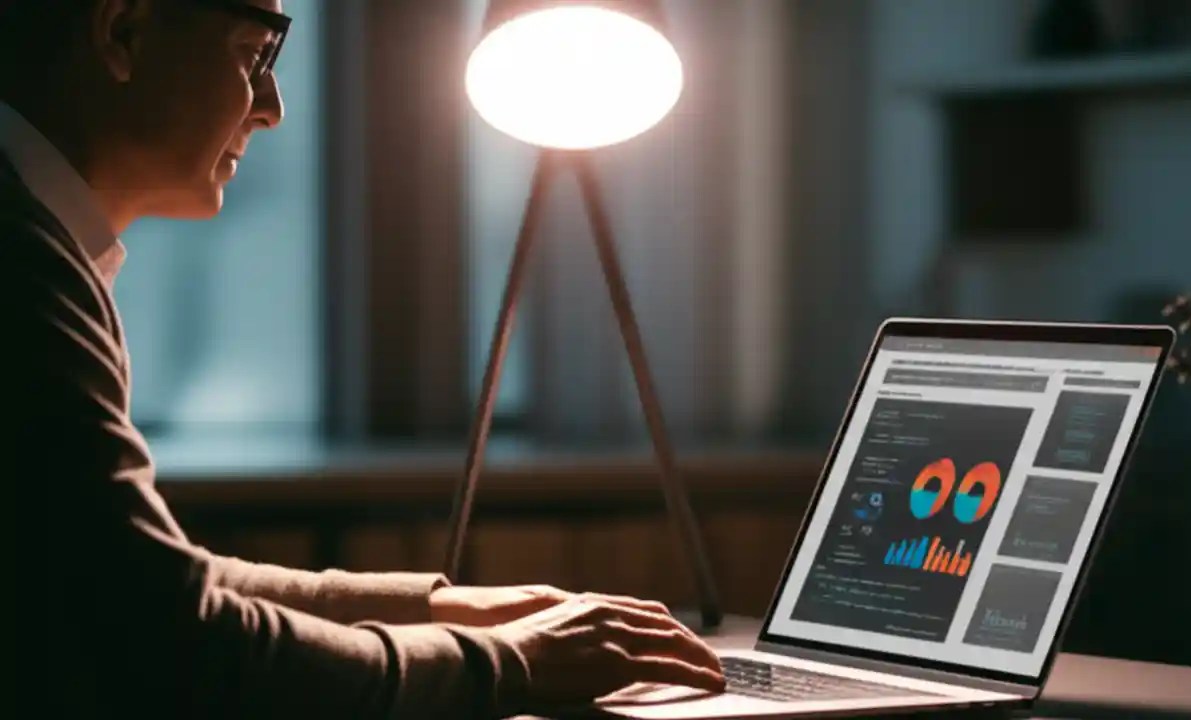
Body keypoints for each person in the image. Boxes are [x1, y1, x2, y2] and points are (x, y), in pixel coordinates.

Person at [1, 1, 725, 717]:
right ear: (122, 30)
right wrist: (511, 662)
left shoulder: (38, 242)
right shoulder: (21, 270)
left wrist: (440, 607)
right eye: (255, 54)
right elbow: (173, 640)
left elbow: (139, 584)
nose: (273, 107)